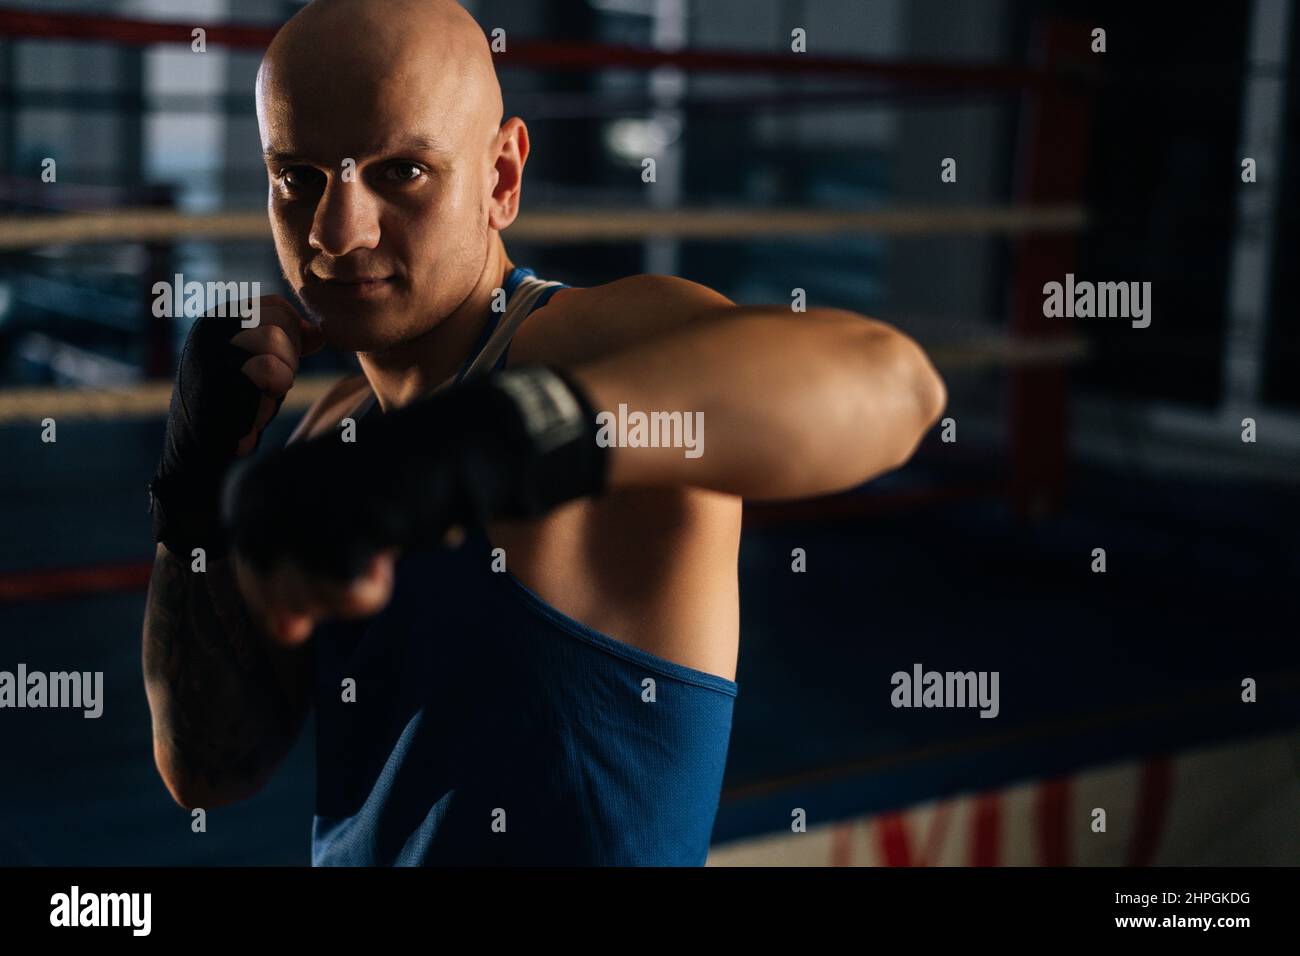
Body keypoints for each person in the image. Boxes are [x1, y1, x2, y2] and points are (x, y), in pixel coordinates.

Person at [141, 0, 947, 865]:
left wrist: (503, 440)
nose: (338, 234)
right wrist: (191, 491)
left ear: (500, 179)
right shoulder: (334, 431)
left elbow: (895, 384)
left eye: (402, 172)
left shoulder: (591, 344)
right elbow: (210, 769)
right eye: (297, 176)